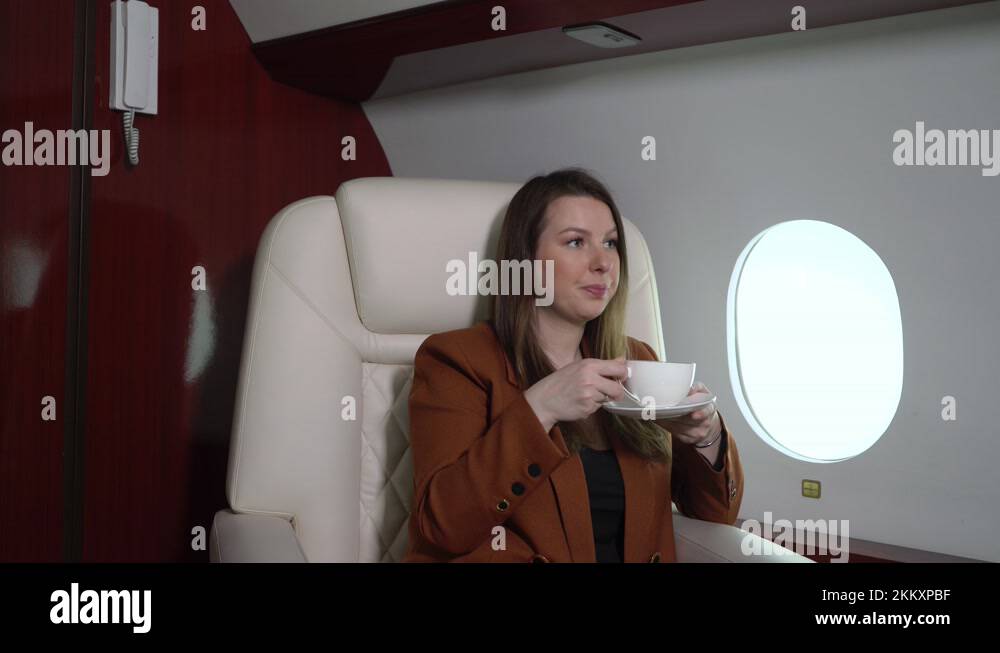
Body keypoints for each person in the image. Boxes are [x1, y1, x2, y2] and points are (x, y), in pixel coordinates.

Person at [402, 168, 743, 563]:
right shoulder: (457, 360)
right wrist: (539, 409)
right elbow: (441, 526)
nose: (603, 262)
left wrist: (705, 436)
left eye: (611, 243)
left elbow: (715, 516)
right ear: (525, 260)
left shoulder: (639, 361)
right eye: (576, 242)